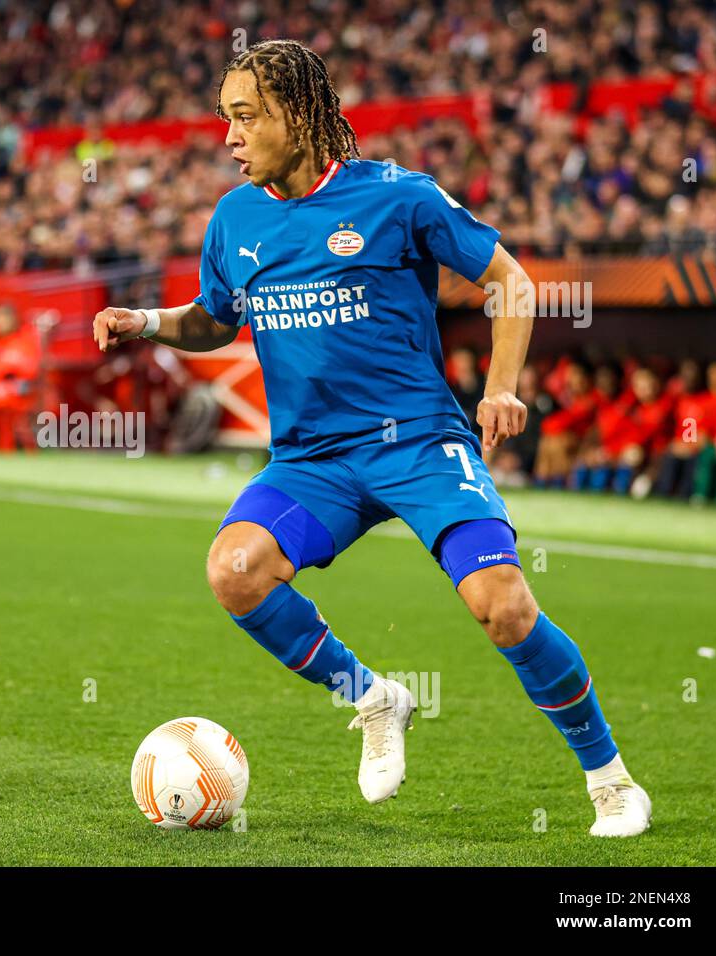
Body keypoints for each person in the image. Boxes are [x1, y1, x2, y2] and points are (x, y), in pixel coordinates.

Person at [91, 39, 650, 837]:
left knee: (503, 606)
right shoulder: (236, 217)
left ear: (301, 116)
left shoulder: (398, 197)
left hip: (417, 444)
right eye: (228, 119)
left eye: (246, 118)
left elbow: (511, 281)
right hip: (313, 460)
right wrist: (143, 321)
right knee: (236, 570)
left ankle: (612, 781)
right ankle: (375, 697)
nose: (231, 137)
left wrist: (500, 388)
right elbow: (215, 319)